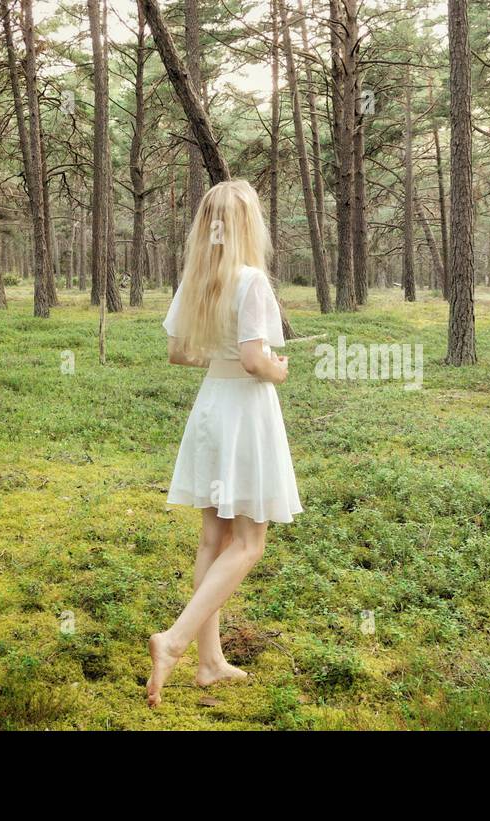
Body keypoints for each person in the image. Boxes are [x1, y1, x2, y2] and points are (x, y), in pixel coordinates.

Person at [147, 180, 302, 707]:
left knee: (213, 539)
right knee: (249, 542)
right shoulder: (251, 280)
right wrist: (277, 370)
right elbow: (256, 361)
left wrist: (227, 358)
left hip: (211, 409)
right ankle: (174, 641)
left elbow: (178, 352)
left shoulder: (198, 278)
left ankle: (210, 662)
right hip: (244, 413)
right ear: (247, 225)